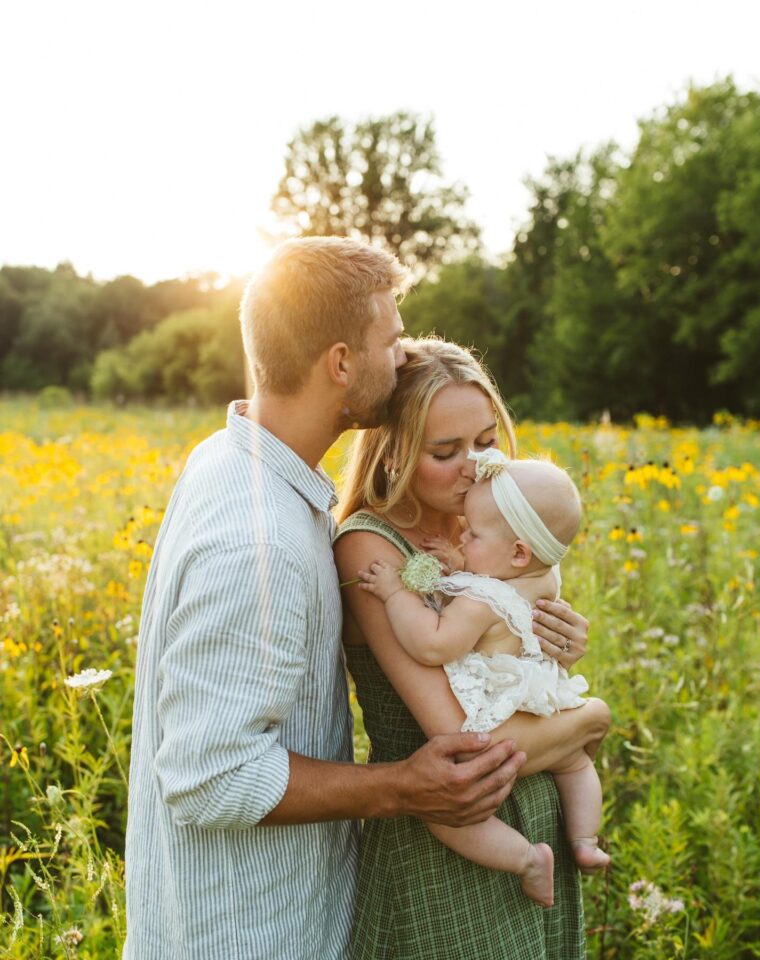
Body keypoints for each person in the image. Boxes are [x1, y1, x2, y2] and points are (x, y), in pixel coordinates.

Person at [123, 239, 528, 960]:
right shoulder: (258, 542)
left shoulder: (233, 464)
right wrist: (402, 787)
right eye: (391, 339)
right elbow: (210, 777)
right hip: (249, 936)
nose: (404, 357)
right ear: (340, 363)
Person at [334, 337, 611, 959]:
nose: (474, 466)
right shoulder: (369, 546)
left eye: (486, 441)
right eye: (445, 450)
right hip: (450, 839)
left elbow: (512, 657)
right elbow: (467, 737)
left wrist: (560, 648)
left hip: (538, 822)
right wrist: (591, 718)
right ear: (393, 451)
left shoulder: (491, 530)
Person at [357, 451, 611, 908]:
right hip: (543, 702)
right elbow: (498, 574)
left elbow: (432, 644)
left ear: (516, 551)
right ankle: (586, 839)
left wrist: (396, 592)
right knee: (575, 764)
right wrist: (464, 557)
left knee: (444, 815)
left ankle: (528, 859)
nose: (463, 537)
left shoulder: (483, 599)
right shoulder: (544, 576)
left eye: (471, 534)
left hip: (495, 719)